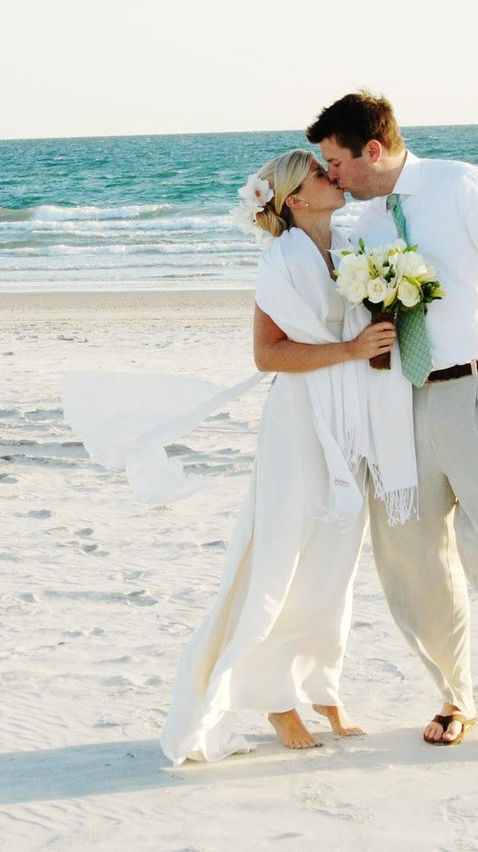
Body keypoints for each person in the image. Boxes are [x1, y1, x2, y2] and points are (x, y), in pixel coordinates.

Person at [306, 91, 478, 754]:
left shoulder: (464, 186)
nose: (332, 174)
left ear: (372, 150)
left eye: (336, 160)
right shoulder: (358, 223)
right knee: (408, 555)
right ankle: (454, 695)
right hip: (398, 401)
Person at [153, 149, 417, 764]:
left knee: (335, 561)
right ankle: (276, 697)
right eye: (322, 175)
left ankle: (321, 685)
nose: (335, 177)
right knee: (284, 556)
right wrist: (352, 350)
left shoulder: (351, 248)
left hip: (351, 422)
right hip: (300, 424)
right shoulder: (281, 261)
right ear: (295, 199)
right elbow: (268, 356)